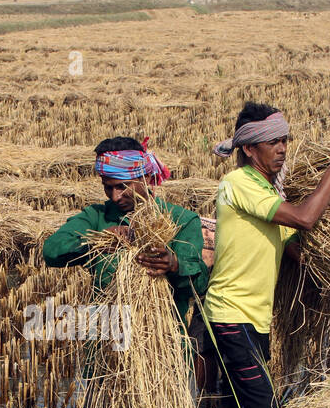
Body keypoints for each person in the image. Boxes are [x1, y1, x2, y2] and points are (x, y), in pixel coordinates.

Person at [203, 102, 330, 408]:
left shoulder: (265, 191)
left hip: (251, 319)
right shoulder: (238, 184)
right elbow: (305, 218)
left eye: (285, 139)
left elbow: (292, 244)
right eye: (273, 141)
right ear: (250, 149)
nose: (283, 147)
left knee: (232, 404)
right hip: (230, 315)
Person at [42, 136, 208, 330]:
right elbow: (51, 250)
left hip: (162, 337)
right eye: (107, 187)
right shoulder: (96, 216)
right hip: (108, 341)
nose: (115, 196)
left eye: (122, 186)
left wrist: (174, 265)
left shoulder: (180, 220)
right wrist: (97, 241)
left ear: (145, 178)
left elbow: (199, 285)